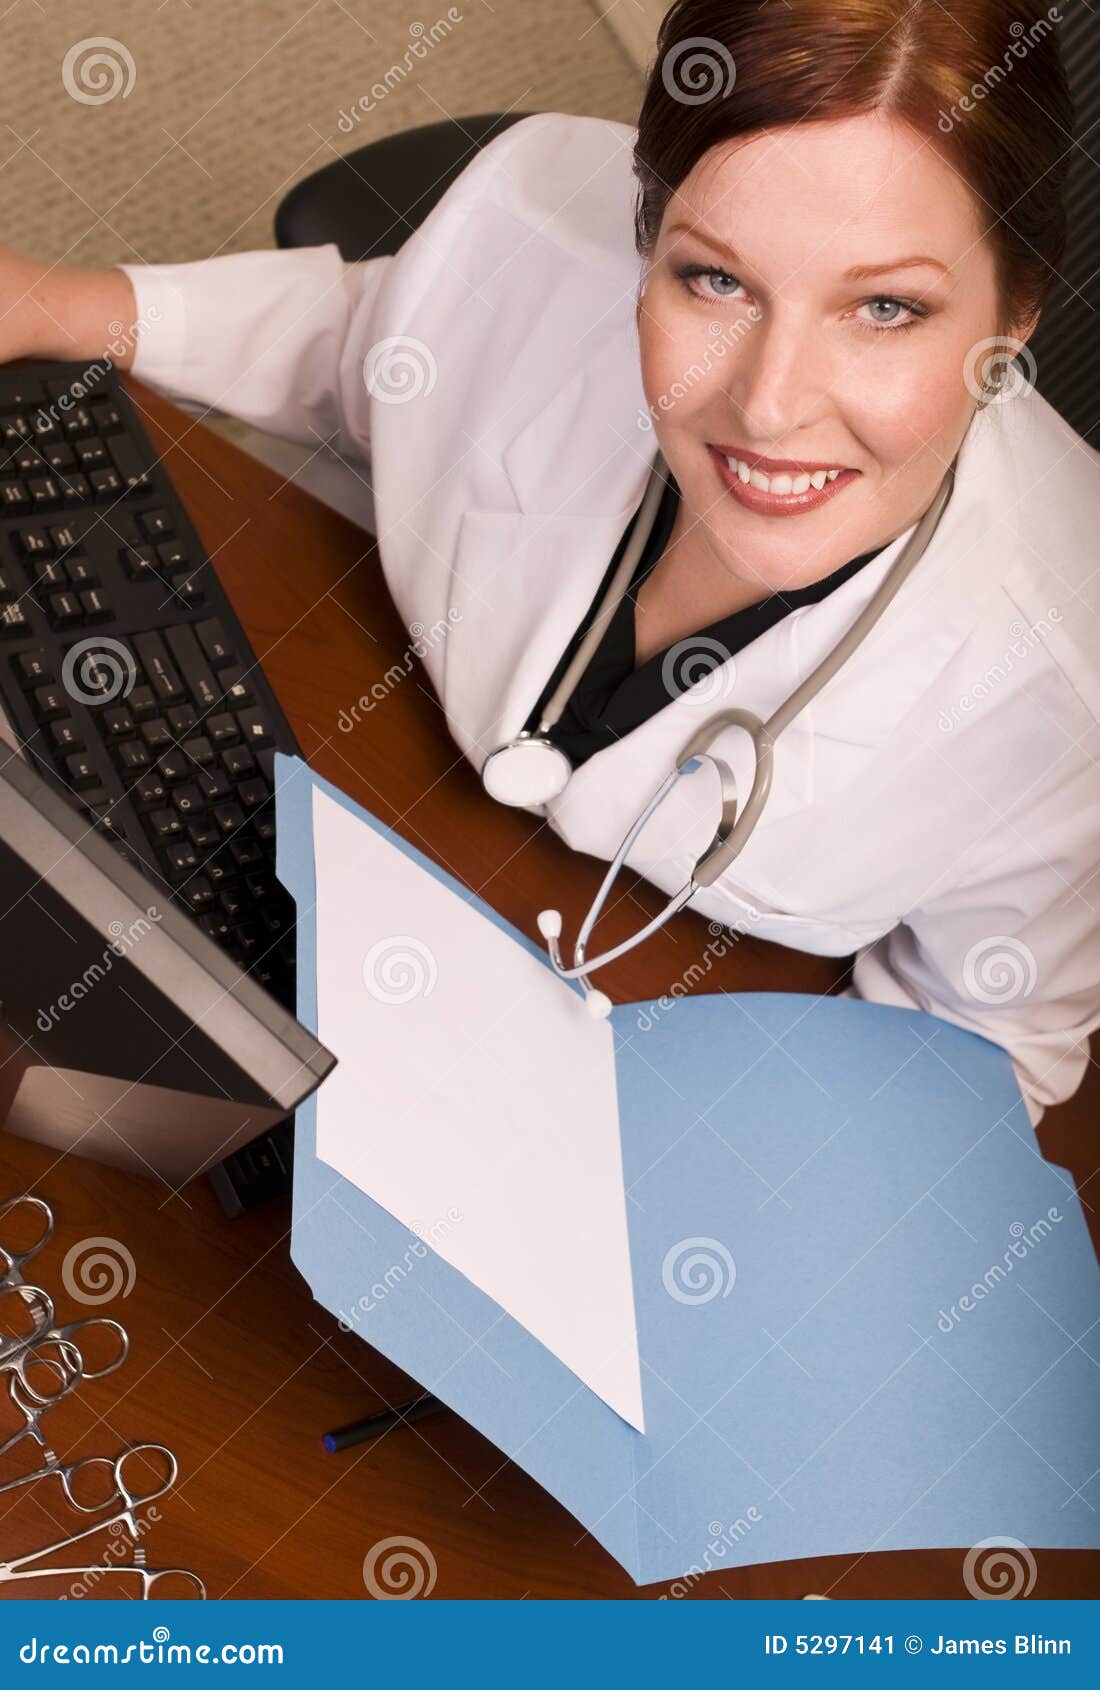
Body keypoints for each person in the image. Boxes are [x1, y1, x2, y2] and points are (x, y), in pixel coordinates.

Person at [3, 0, 1097, 1128]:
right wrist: (65, 300)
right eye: (713, 280)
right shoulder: (536, 222)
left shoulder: (1064, 699)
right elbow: (364, 343)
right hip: (344, 775)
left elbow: (986, 1043)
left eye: (882, 308)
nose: (767, 403)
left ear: (1010, 318)